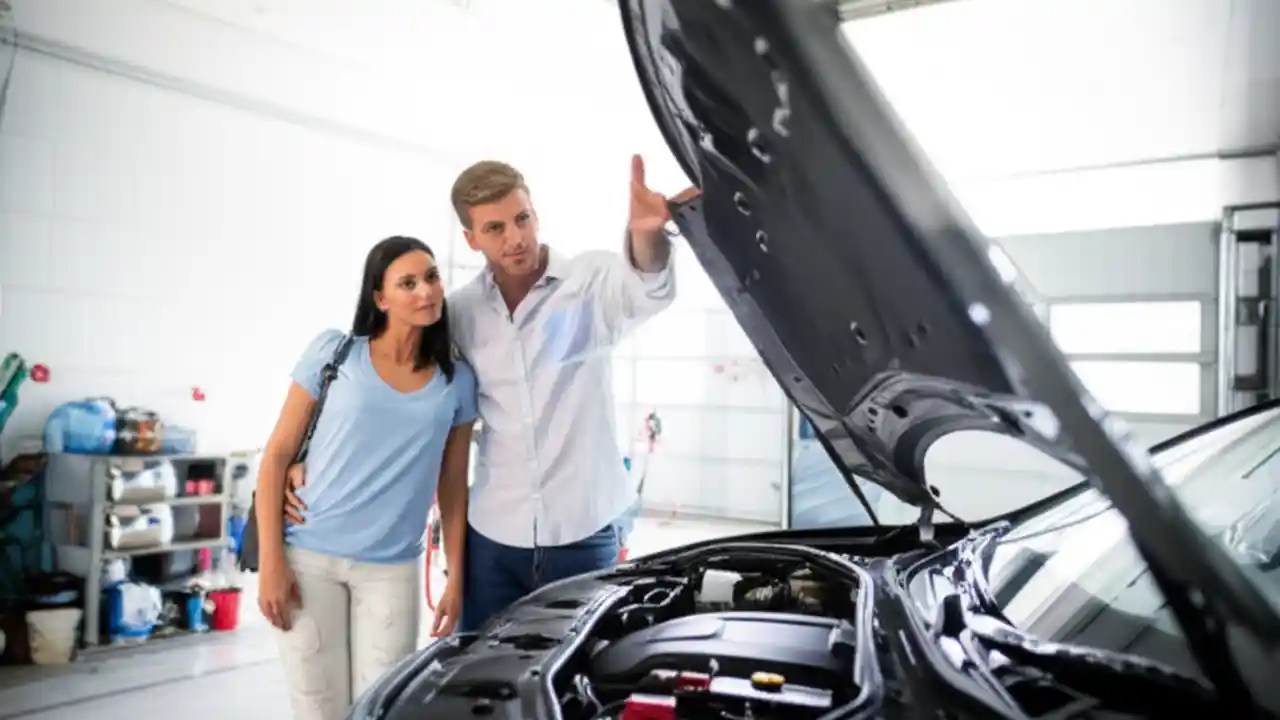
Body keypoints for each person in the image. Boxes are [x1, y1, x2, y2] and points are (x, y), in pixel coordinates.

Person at [283, 155, 696, 633]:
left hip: (584, 531)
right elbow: (401, 400)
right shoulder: (457, 313)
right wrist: (308, 459)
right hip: (492, 541)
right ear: (471, 239)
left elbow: (647, 285)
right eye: (495, 228)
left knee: (580, 683)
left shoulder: (590, 284)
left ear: (535, 213)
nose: (515, 238)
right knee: (480, 685)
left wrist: (646, 235)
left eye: (522, 218)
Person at [255, 236, 476, 720]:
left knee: (382, 711)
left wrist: (455, 575)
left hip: (391, 569)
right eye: (408, 283)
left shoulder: (456, 382)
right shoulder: (336, 354)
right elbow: (275, 458)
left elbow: (453, 487)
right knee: (319, 711)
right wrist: (272, 562)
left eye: (432, 277)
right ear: (380, 298)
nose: (426, 291)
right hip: (308, 560)